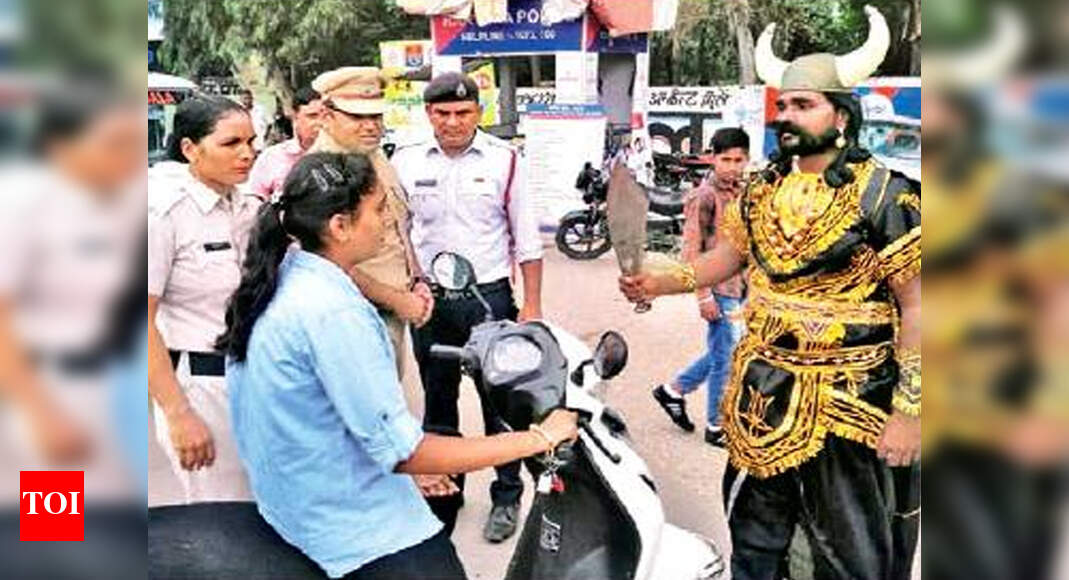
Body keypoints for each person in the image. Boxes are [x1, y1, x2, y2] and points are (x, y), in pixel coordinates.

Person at [620, 7, 920, 579]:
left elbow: (920, 306)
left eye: (803, 104)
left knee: (847, 552)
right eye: (782, 103)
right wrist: (661, 282)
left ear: (842, 115)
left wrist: (909, 412)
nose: (786, 114)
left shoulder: (887, 195)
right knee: (756, 540)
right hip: (761, 390)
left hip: (848, 400)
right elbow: (725, 259)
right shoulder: (760, 189)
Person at [218, 152, 577, 579]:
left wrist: (411, 466)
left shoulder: (285, 275)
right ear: (339, 226)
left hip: (297, 497)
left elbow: (334, 418)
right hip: (349, 525)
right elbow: (407, 452)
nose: (388, 220)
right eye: (378, 209)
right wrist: (539, 438)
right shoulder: (334, 312)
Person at [391, 71, 544, 543]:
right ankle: (445, 493)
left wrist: (531, 307)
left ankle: (506, 495)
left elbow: (527, 237)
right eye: (443, 113)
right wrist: (413, 284)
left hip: (490, 300)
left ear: (480, 112)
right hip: (430, 301)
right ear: (428, 113)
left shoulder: (505, 159)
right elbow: (400, 232)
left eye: (463, 112)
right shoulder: (405, 159)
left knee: (500, 406)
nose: (453, 122)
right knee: (439, 405)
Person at [0, 81, 145, 501]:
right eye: (114, 143)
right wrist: (39, 414)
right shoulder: (21, 205)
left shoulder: (122, 200)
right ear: (61, 145)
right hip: (50, 390)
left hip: (113, 392)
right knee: (54, 531)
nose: (129, 156)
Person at [148, 95, 259, 503]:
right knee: (219, 518)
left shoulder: (248, 207)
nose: (247, 154)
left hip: (256, 379)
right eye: (231, 143)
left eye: (251, 141)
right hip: (200, 386)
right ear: (190, 149)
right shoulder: (164, 215)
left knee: (264, 512)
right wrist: (179, 414)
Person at [309, 66, 433, 378]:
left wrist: (417, 280)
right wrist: (399, 300)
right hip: (353, 313)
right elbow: (325, 263)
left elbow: (398, 228)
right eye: (357, 117)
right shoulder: (323, 173)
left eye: (376, 117)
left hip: (392, 308)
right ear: (326, 115)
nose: (370, 127)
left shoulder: (374, 158)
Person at [651, 128, 749, 445]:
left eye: (739, 159)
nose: (732, 166)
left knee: (726, 349)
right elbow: (691, 251)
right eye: (726, 159)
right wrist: (702, 295)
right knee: (727, 358)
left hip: (742, 286)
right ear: (712, 158)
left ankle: (673, 391)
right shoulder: (703, 196)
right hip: (717, 287)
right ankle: (716, 426)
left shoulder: (742, 191)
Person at [248, 87, 323, 201]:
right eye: (312, 116)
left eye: (326, 116)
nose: (320, 123)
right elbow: (254, 201)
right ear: (295, 117)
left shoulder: (343, 157)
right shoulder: (272, 157)